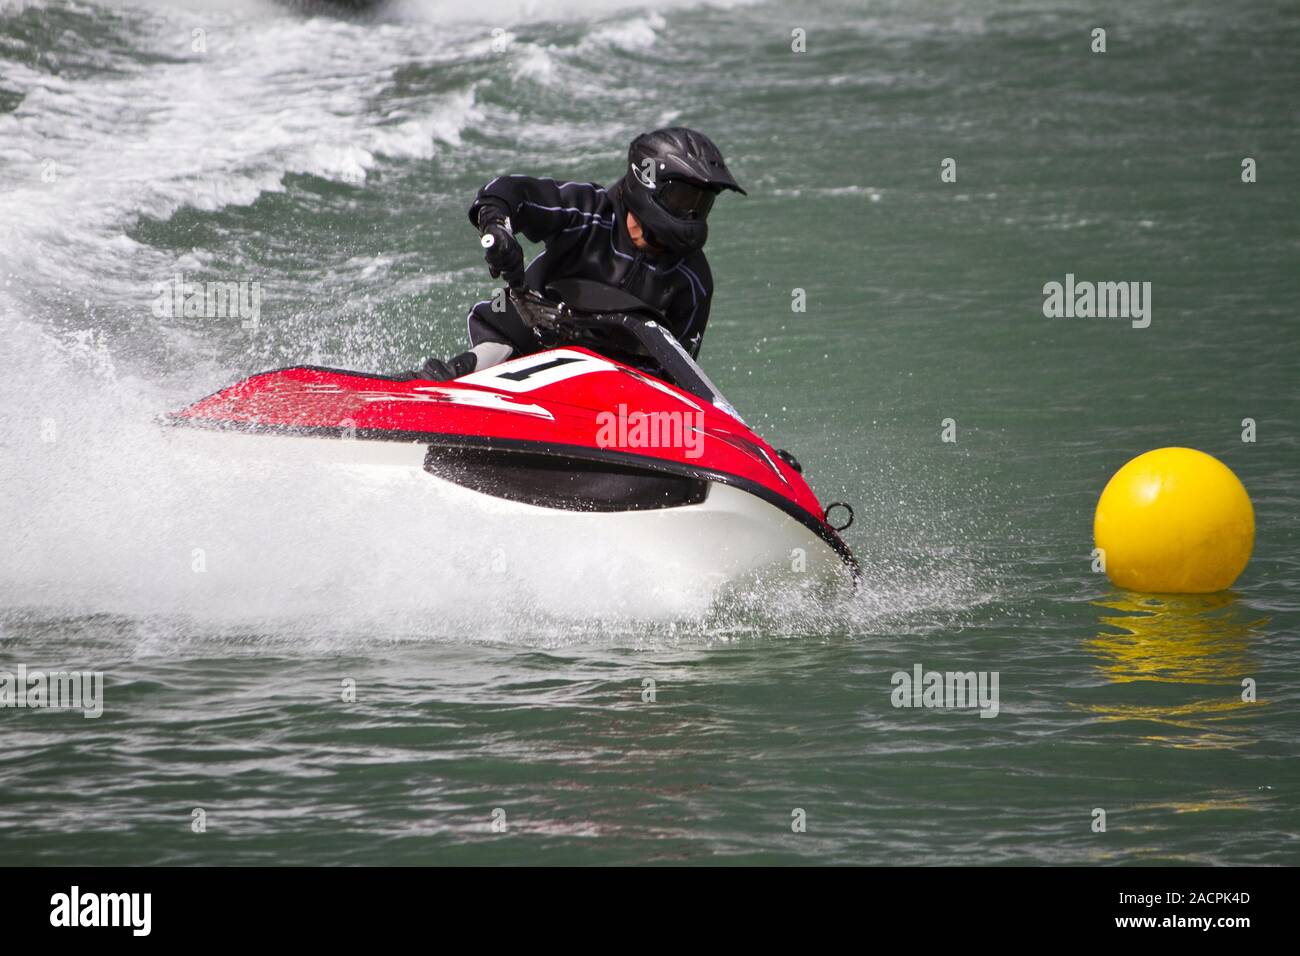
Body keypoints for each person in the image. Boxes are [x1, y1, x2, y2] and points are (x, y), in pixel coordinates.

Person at [405, 127, 745, 380]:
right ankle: (431, 392)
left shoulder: (694, 281)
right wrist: (497, 229)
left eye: (701, 204)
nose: (692, 215)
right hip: (522, 354)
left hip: (607, 396)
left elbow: (679, 372)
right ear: (648, 183)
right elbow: (507, 192)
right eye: (684, 200)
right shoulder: (588, 212)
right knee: (487, 358)